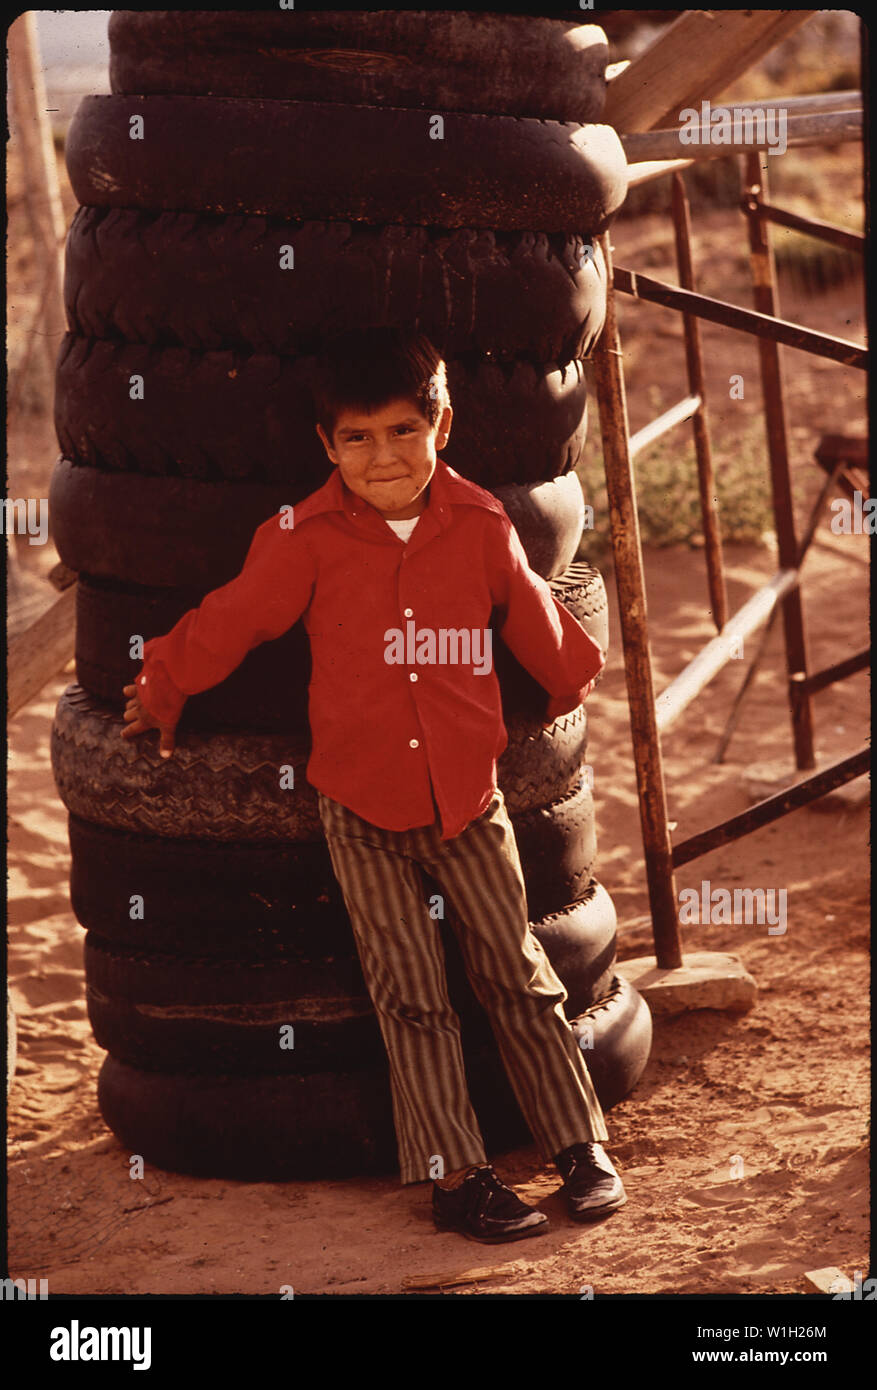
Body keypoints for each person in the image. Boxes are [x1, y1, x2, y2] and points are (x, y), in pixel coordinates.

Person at [122, 327, 627, 1243]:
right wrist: (162, 688)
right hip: (358, 805)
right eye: (356, 439)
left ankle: (579, 1146)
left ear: (441, 426)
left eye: (402, 431)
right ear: (326, 446)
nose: (382, 457)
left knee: (517, 973)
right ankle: (458, 1178)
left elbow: (530, 613)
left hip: (467, 802)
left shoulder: (479, 524)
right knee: (411, 995)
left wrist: (564, 682)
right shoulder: (299, 538)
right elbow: (231, 618)